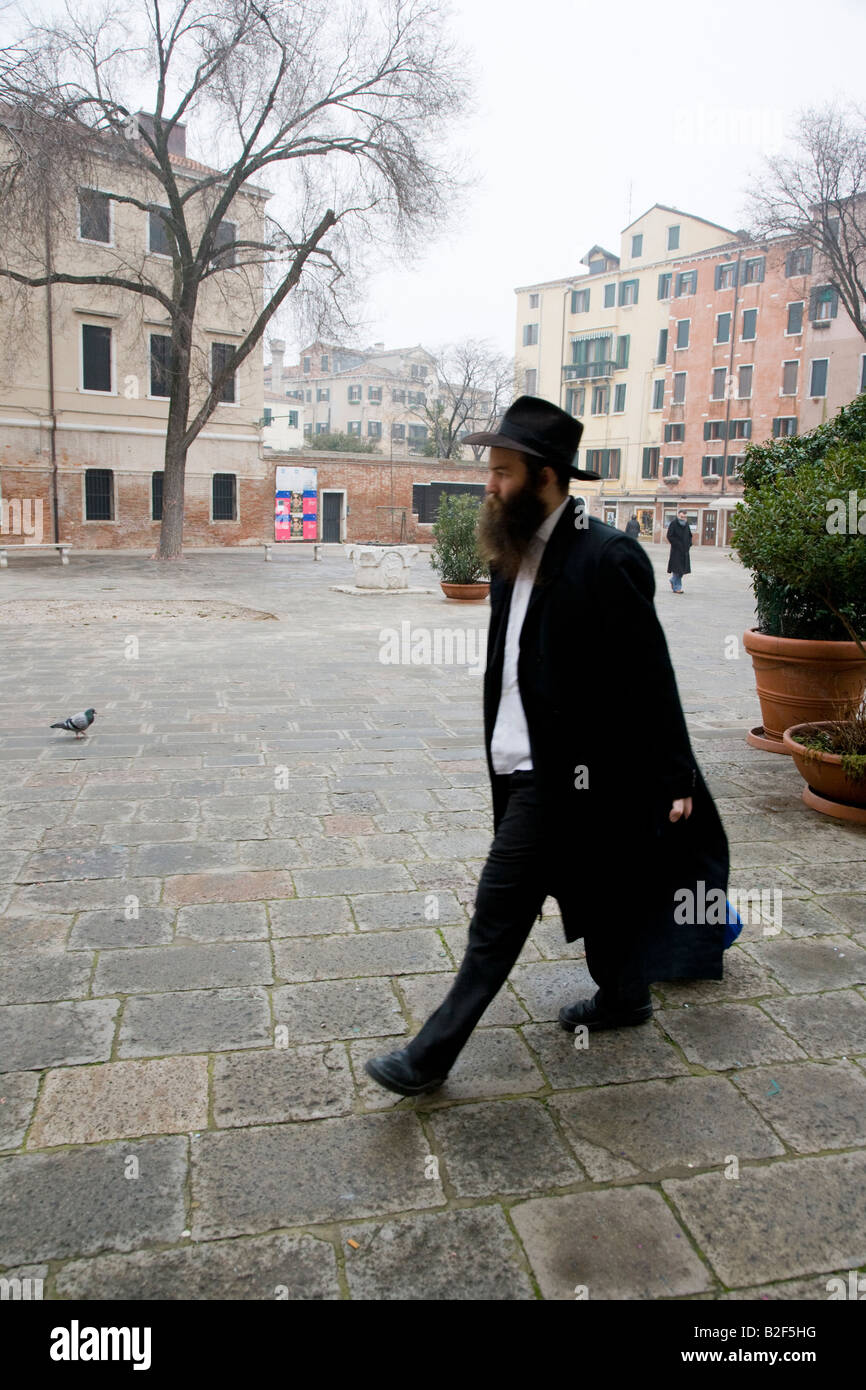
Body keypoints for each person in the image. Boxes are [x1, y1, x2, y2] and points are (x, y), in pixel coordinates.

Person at [365, 396, 730, 1097]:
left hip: (567, 773)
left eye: (502, 471)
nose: (490, 485)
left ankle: (428, 1059)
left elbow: (650, 675)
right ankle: (625, 996)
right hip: (517, 762)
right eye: (490, 471)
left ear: (544, 476)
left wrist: (676, 774)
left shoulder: (606, 556)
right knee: (595, 884)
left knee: (497, 911)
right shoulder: (510, 553)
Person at [667, 509, 692, 592]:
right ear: (678, 516)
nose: (683, 518)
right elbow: (669, 536)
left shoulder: (686, 524)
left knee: (682, 571)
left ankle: (672, 580)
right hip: (676, 551)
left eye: (685, 517)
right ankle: (677, 588)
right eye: (682, 517)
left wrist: (689, 544)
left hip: (685, 551)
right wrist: (677, 544)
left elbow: (689, 535)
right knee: (677, 569)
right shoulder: (673, 524)